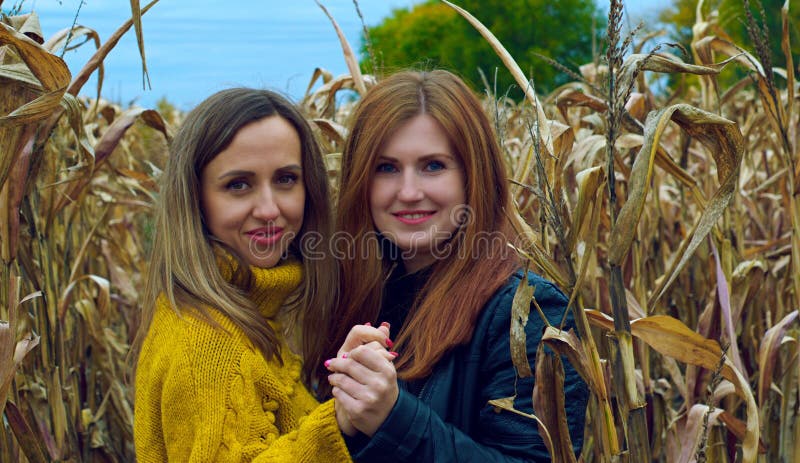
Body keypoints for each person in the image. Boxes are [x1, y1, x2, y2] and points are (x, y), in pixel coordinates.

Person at [316, 70, 588, 461]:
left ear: (473, 176)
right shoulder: (349, 300)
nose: (409, 192)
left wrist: (394, 420)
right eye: (386, 168)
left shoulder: (528, 315)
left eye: (433, 166)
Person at [132, 88, 392, 462]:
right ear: (195, 198)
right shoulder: (204, 344)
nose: (269, 209)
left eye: (286, 179)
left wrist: (349, 386)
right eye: (238, 185)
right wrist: (339, 420)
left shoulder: (246, 312)